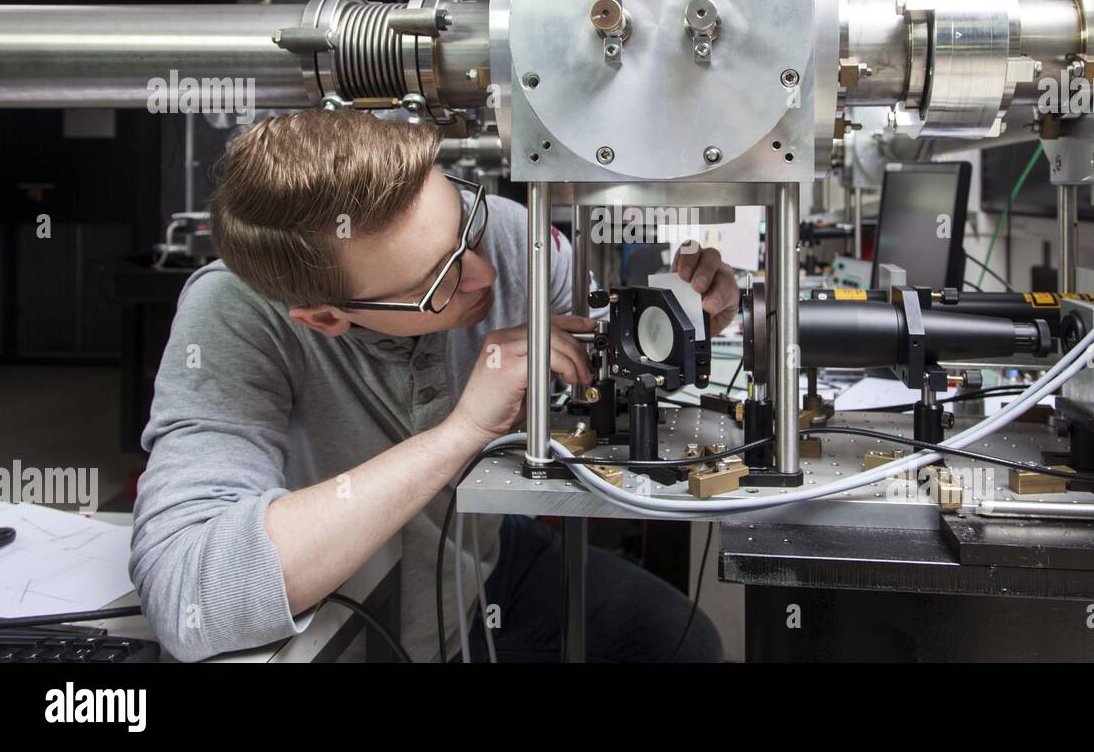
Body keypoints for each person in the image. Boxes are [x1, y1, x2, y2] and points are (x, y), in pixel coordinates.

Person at [129, 108, 740, 662]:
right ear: (326, 316)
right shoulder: (234, 314)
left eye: (464, 230)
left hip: (486, 564)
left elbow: (610, 328)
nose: (485, 271)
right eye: (441, 278)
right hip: (363, 611)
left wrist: (685, 311)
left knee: (680, 643)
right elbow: (192, 595)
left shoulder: (498, 231)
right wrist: (463, 432)